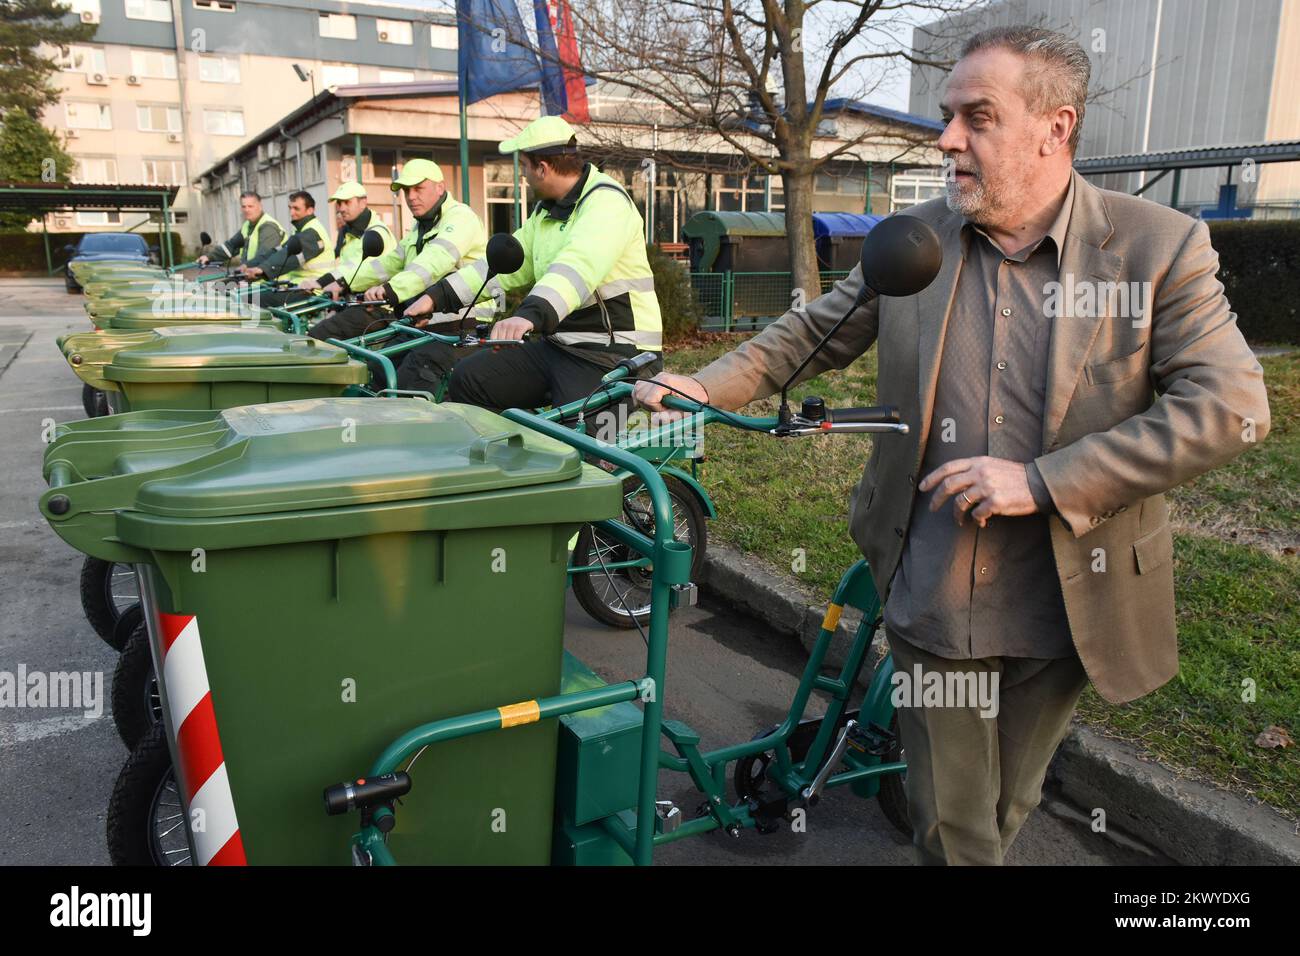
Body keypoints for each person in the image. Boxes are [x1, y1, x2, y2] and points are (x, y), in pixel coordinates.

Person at [635, 25, 1271, 865]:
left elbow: (1230, 406)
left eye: (978, 116)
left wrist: (1044, 481)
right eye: (947, 115)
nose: (947, 139)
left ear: (1056, 126)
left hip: (1072, 592)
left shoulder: (1159, 247)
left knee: (1010, 801)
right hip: (934, 589)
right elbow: (806, 336)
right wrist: (704, 386)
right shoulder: (915, 239)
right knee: (952, 825)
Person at [399, 115, 663, 402]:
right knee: (470, 377)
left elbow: (579, 266)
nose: (522, 175)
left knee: (571, 439)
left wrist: (529, 315)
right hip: (559, 346)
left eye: (523, 166)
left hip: (612, 353)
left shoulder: (606, 202)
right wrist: (436, 297)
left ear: (542, 168)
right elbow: (502, 267)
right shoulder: (546, 212)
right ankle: (498, 445)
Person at [306, 159, 485, 343]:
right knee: (375, 363)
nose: (410, 197)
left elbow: (434, 261)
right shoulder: (421, 226)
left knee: (399, 367)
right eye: (406, 190)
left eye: (418, 188)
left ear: (440, 187)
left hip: (467, 319)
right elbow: (388, 263)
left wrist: (390, 289)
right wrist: (344, 282)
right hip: (426, 315)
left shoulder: (460, 217)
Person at [299, 182, 397, 298]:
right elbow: (343, 266)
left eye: (347, 202)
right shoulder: (348, 231)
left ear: (363, 202)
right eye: (339, 203)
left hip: (378, 303)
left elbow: (356, 268)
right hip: (354, 299)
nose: (341, 208)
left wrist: (319, 282)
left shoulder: (377, 233)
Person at [246, 190, 333, 307]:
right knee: (254, 293)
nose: (291, 212)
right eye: (290, 208)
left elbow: (289, 256)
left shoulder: (312, 232)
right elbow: (278, 250)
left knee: (255, 298)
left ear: (310, 210)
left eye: (296, 208)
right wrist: (249, 266)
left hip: (313, 291)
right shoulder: (301, 229)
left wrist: (263, 269)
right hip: (298, 286)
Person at [197, 191, 286, 276]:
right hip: (251, 277)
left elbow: (264, 257)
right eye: (244, 206)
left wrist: (244, 269)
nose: (246, 210)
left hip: (273, 282)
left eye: (250, 206)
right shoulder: (247, 226)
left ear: (260, 206)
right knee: (220, 287)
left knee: (224, 288)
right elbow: (231, 246)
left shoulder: (268, 227)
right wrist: (209, 257)